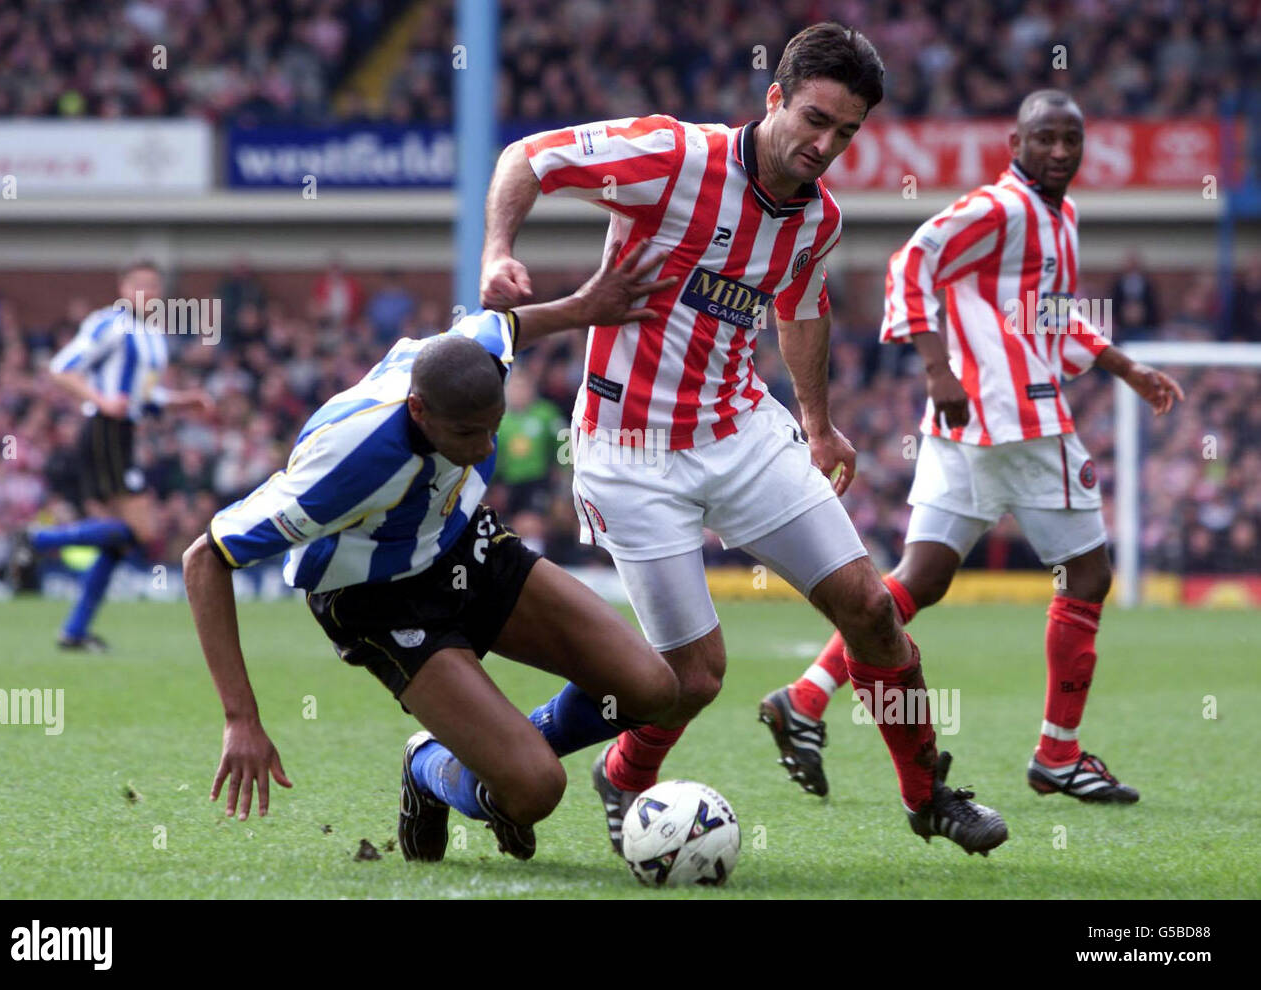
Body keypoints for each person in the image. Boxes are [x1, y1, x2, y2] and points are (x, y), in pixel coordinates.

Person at [481, 22, 1008, 856]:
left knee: (871, 608)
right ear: (774, 99)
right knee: (689, 680)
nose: (826, 144)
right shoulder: (670, 157)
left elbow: (800, 304)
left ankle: (927, 792)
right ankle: (615, 774)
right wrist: (499, 251)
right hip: (630, 452)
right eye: (814, 119)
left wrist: (818, 421)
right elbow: (527, 158)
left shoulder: (818, 218)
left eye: (847, 132)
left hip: (740, 431)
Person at [183, 241, 682, 862]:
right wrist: (241, 719)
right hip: (381, 602)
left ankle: (490, 752)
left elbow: (507, 325)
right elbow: (204, 558)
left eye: (492, 428)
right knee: (533, 790)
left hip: (464, 541)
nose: (483, 447)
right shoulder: (351, 463)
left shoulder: (477, 360)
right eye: (466, 434)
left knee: (655, 689)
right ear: (419, 410)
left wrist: (587, 305)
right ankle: (431, 767)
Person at [766, 90, 1184, 804]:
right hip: (1021, 420)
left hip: (961, 426)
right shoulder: (1001, 208)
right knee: (1087, 576)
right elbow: (909, 262)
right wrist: (937, 367)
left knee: (920, 578)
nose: (1058, 151)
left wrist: (1123, 367)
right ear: (1015, 146)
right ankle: (1058, 753)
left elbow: (1048, 313)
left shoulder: (1060, 216)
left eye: (1069, 141)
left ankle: (805, 698)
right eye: (1044, 139)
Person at [19, 260, 212, 650]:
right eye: (140, 285)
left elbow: (144, 397)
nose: (148, 293)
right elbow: (62, 368)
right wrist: (101, 401)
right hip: (105, 433)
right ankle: (38, 540)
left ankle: (74, 630)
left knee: (118, 542)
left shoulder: (153, 335)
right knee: (144, 531)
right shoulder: (110, 324)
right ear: (124, 288)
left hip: (122, 435)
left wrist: (180, 402)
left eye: (154, 286)